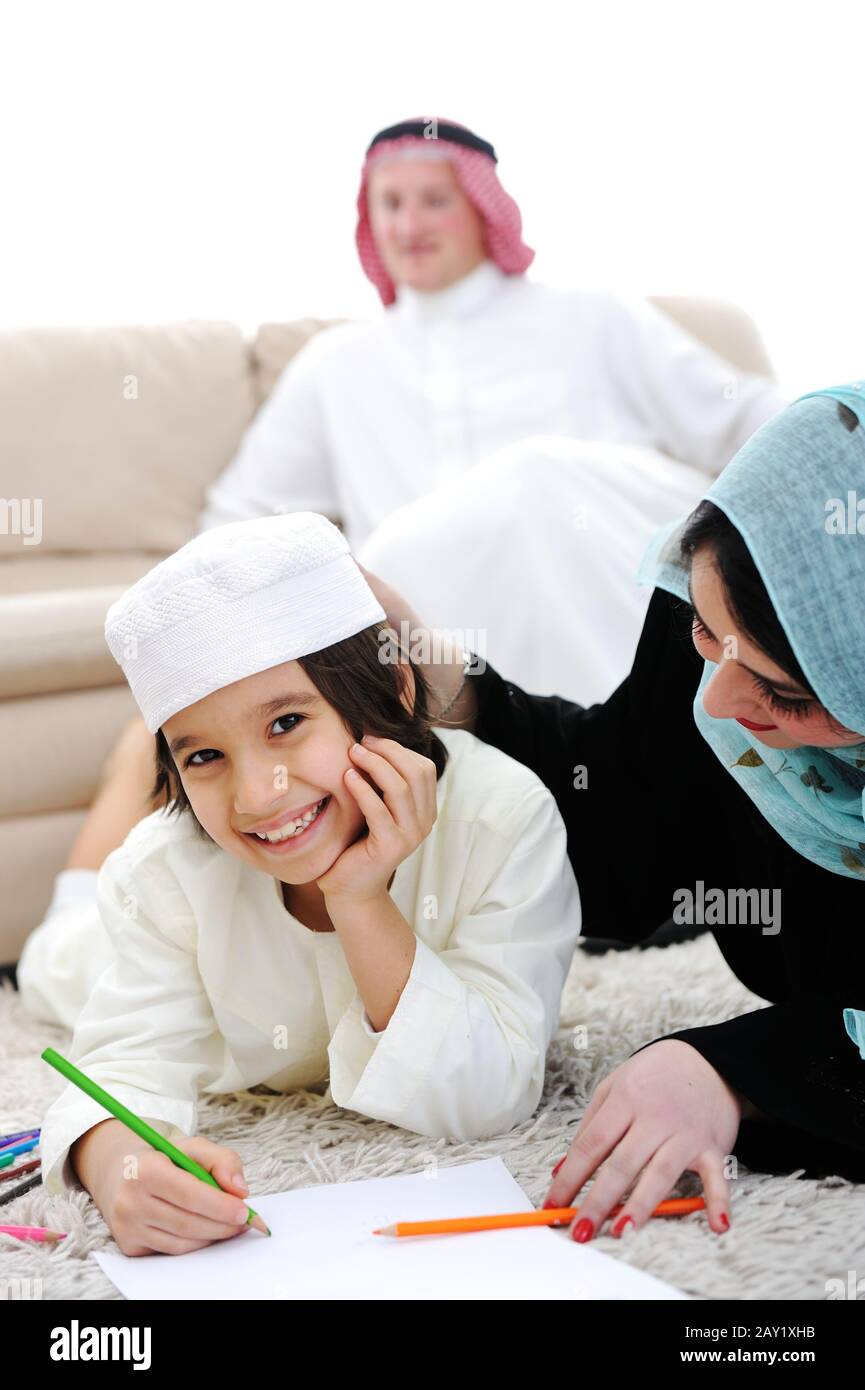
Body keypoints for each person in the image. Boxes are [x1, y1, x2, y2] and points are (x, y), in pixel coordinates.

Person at [362, 382, 865, 1240]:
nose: (717, 704)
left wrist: (739, 1071)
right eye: (707, 638)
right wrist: (434, 680)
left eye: (782, 692)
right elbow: (624, 822)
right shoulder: (707, 630)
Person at [25, 513, 580, 1255]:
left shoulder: (503, 817)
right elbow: (122, 1062)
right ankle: (137, 765)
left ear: (394, 688)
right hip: (103, 933)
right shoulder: (161, 874)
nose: (259, 794)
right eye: (203, 756)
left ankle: (146, 759)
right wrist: (116, 1159)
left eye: (286, 722)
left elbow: (489, 1096)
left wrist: (359, 900)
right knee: (49, 959)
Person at [198, 115, 787, 703]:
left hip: (602, 557)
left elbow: (744, 421)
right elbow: (242, 519)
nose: (409, 225)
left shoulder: (590, 315)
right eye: (391, 204)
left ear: (484, 208)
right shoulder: (335, 363)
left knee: (535, 480)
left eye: (434, 200)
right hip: (434, 608)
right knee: (395, 558)